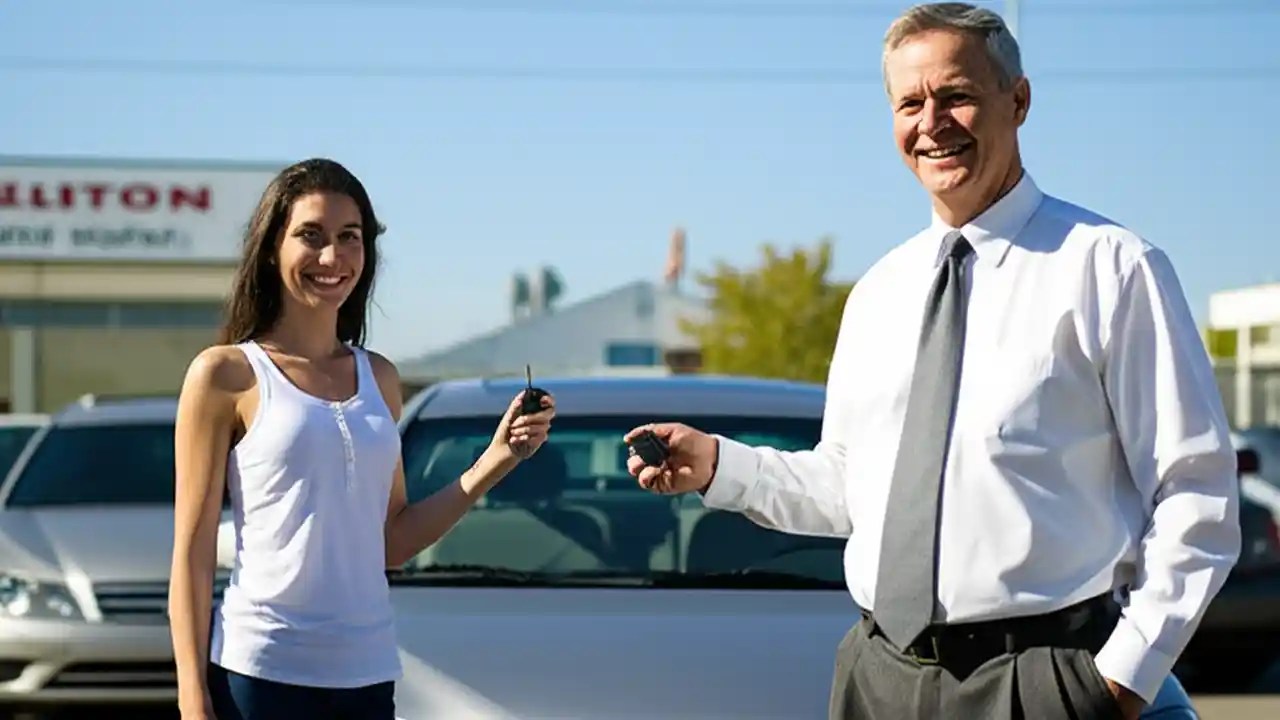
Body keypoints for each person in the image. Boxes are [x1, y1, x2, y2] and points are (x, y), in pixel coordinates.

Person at [626, 4, 1240, 719]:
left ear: (1018, 101)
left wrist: (1121, 681)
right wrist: (715, 465)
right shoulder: (879, 292)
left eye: (956, 96)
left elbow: (1196, 490)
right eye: (909, 103)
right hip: (878, 677)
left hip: (1041, 683)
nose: (932, 122)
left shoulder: (1111, 269)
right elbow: (850, 488)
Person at [167, 158, 556, 720]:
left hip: (368, 676)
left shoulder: (381, 378)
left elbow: (391, 543)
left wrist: (498, 458)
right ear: (272, 246)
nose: (332, 257)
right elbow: (192, 552)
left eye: (350, 238)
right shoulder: (225, 374)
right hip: (260, 675)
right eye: (311, 236)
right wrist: (191, 697)